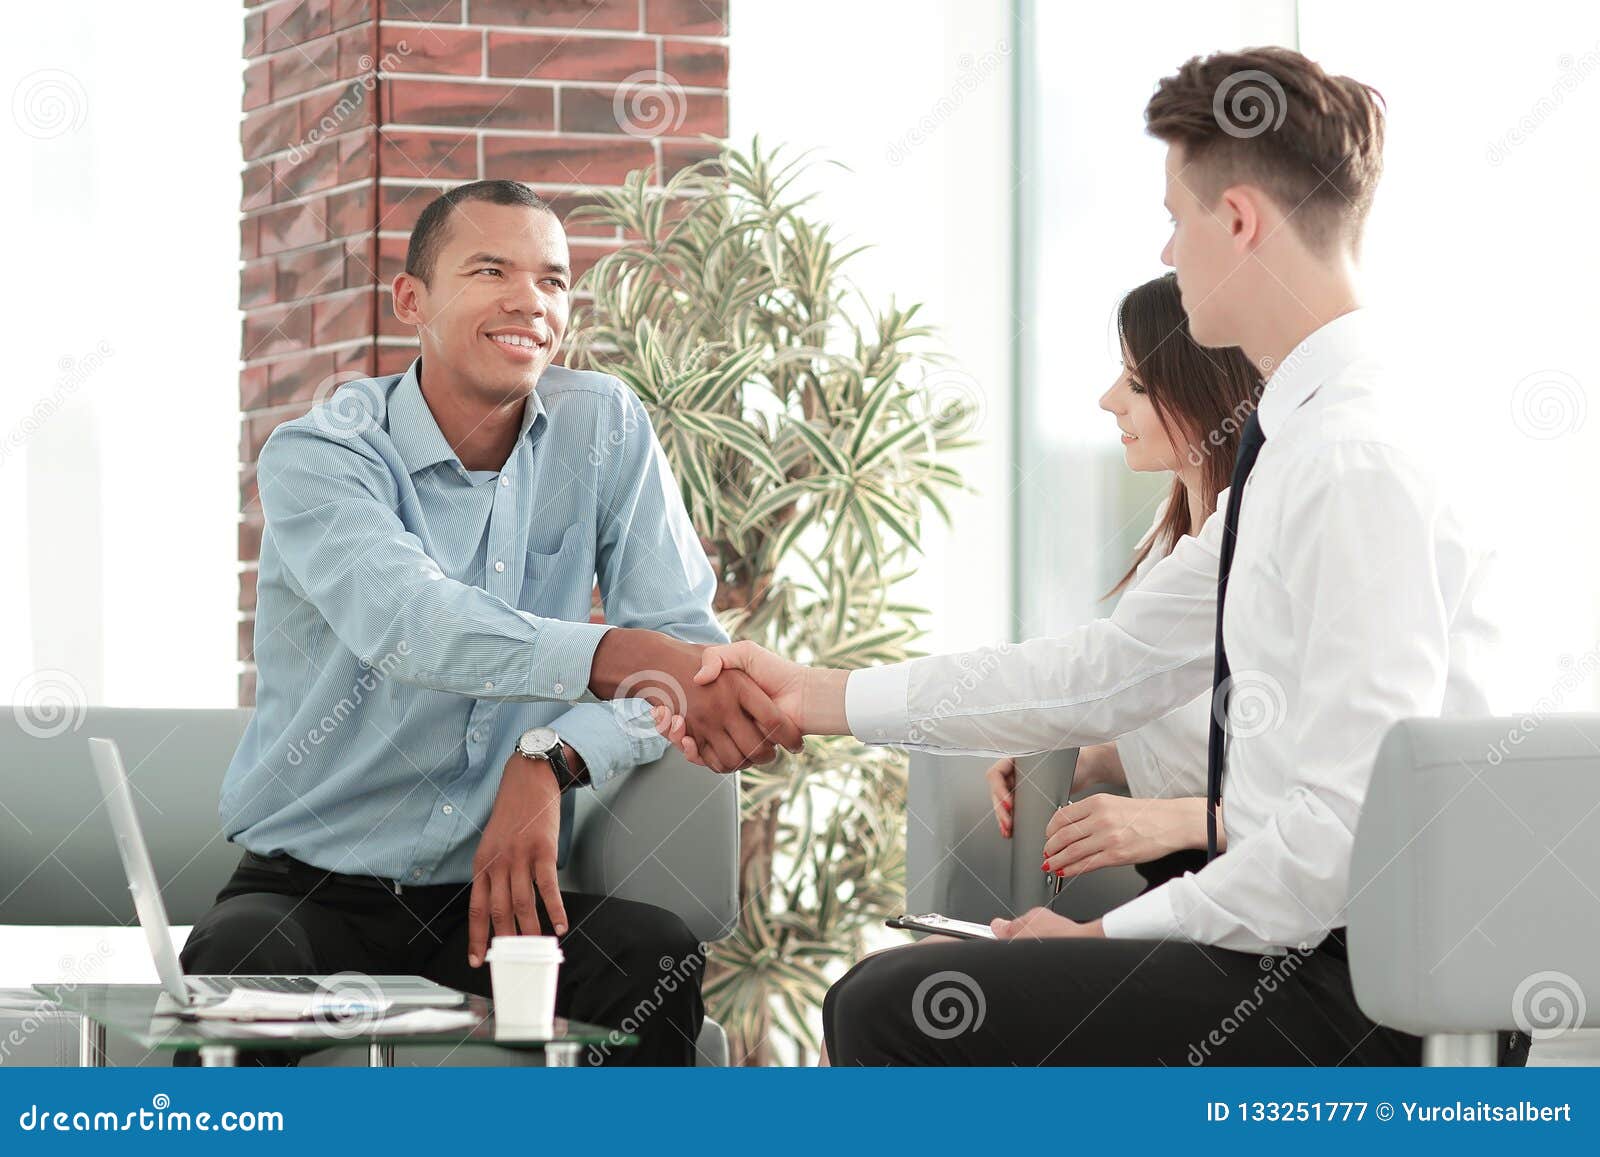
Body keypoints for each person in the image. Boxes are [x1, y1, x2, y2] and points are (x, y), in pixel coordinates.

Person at [661, 47, 1527, 1066]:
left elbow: (1339, 839)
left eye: (1174, 217)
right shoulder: (1301, 447)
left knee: (892, 1004)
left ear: (1238, 220)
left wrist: (1103, 934)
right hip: (1312, 956)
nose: (1169, 249)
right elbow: (1101, 668)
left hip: (1371, 996)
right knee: (901, 990)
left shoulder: (1351, 460)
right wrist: (809, 694)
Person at [182, 179, 800, 1066]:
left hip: (493, 900)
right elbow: (417, 624)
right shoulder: (320, 455)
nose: (531, 301)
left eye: (553, 280)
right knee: (238, 971)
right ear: (412, 302)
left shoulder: (604, 425)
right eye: (490, 270)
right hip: (309, 895)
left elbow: (681, 646)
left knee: (649, 954)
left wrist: (551, 757)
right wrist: (626, 656)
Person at [986, 271, 1260, 893]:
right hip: (1175, 894)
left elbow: (1325, 808)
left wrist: (1184, 820)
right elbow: (1189, 732)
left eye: (1137, 383)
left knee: (894, 986)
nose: (1109, 399)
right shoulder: (1168, 548)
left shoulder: (1261, 559)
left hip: (1246, 909)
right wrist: (1096, 761)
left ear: (1209, 397)